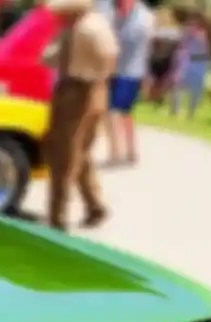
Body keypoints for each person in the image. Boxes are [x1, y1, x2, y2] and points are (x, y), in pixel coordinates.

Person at [42, 0, 117, 231]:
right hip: (90, 88)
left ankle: (58, 216)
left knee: (63, 153)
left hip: (78, 90)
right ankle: (95, 206)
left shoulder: (85, 28)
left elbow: (107, 56)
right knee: (80, 151)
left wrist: (94, 76)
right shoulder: (88, 25)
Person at [104, 0, 151, 165]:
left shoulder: (143, 16)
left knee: (122, 112)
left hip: (132, 72)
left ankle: (128, 150)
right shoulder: (113, 11)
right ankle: (117, 151)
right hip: (113, 71)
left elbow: (141, 43)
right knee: (112, 112)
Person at [168, 9, 211, 120]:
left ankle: (190, 113)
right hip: (185, 64)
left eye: (194, 23)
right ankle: (175, 110)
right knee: (177, 86)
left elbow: (205, 54)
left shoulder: (202, 36)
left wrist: (202, 65)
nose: (192, 25)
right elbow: (181, 48)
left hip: (196, 65)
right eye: (191, 22)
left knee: (195, 91)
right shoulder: (186, 33)